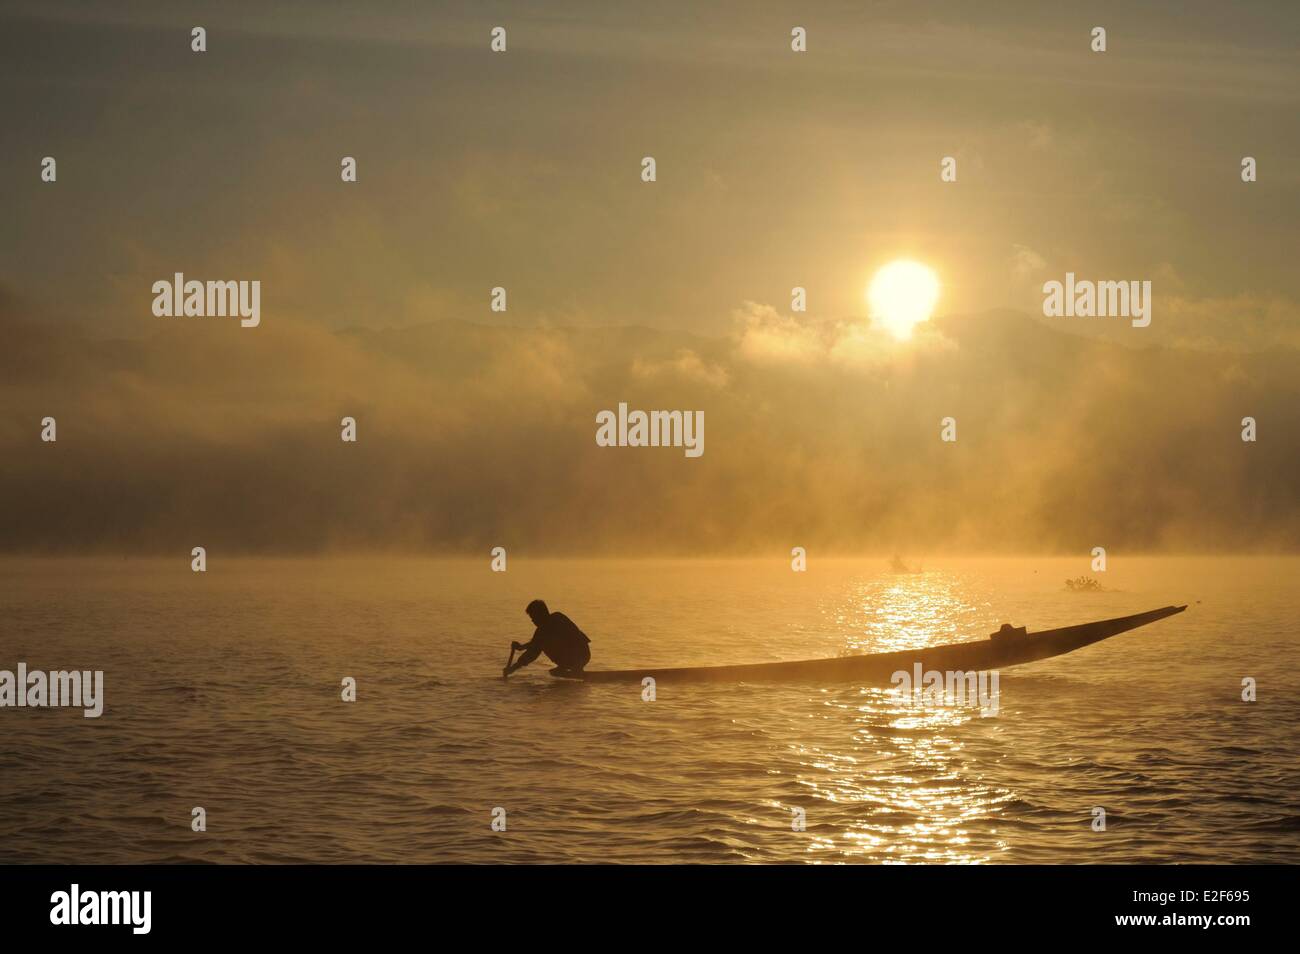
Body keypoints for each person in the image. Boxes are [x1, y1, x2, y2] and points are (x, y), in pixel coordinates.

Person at [503, 600, 592, 677]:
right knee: (541, 643)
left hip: (581, 655)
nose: (532, 621)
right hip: (574, 658)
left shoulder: (557, 618)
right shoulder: (541, 631)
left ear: (541, 615)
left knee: (544, 643)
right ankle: (566, 665)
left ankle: (574, 666)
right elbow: (533, 650)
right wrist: (513, 668)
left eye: (533, 617)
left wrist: (521, 649)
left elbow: (574, 635)